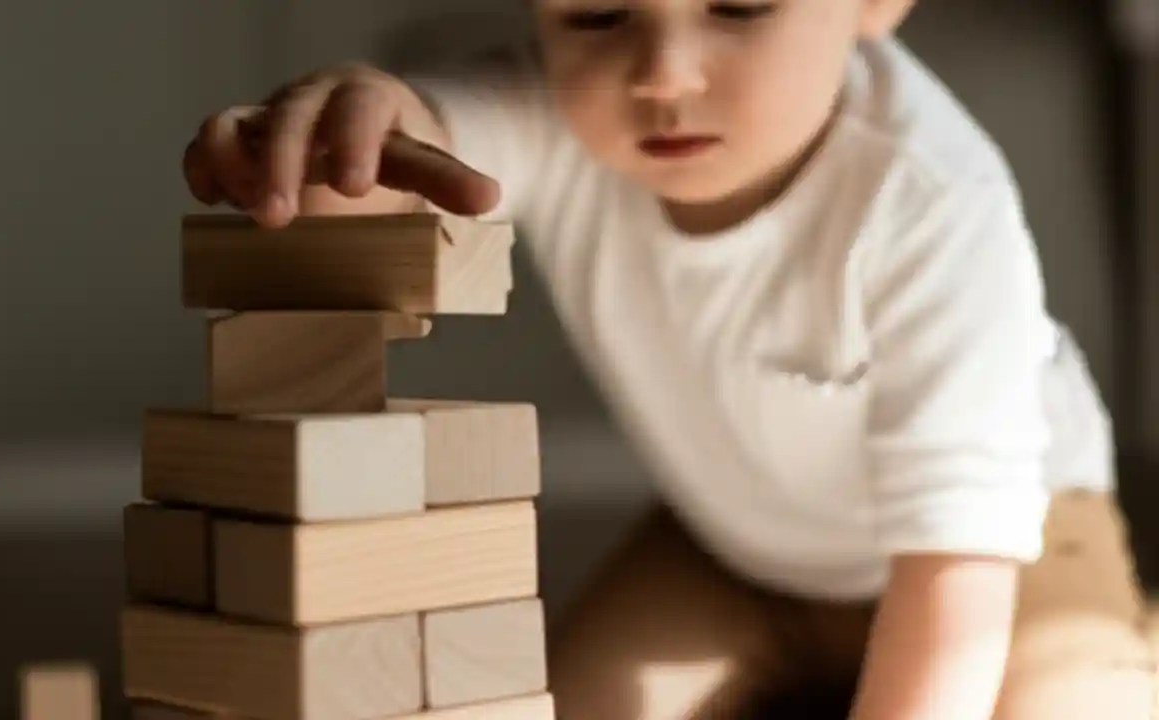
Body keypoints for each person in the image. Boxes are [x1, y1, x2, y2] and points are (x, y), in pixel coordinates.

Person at [181, 1, 1154, 717]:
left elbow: (958, 561)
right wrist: (329, 144)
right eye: (597, 16)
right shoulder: (549, 113)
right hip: (733, 544)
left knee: (1073, 700)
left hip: (1013, 543)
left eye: (738, 7)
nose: (663, 74)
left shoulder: (930, 199)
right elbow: (410, 154)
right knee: (568, 703)